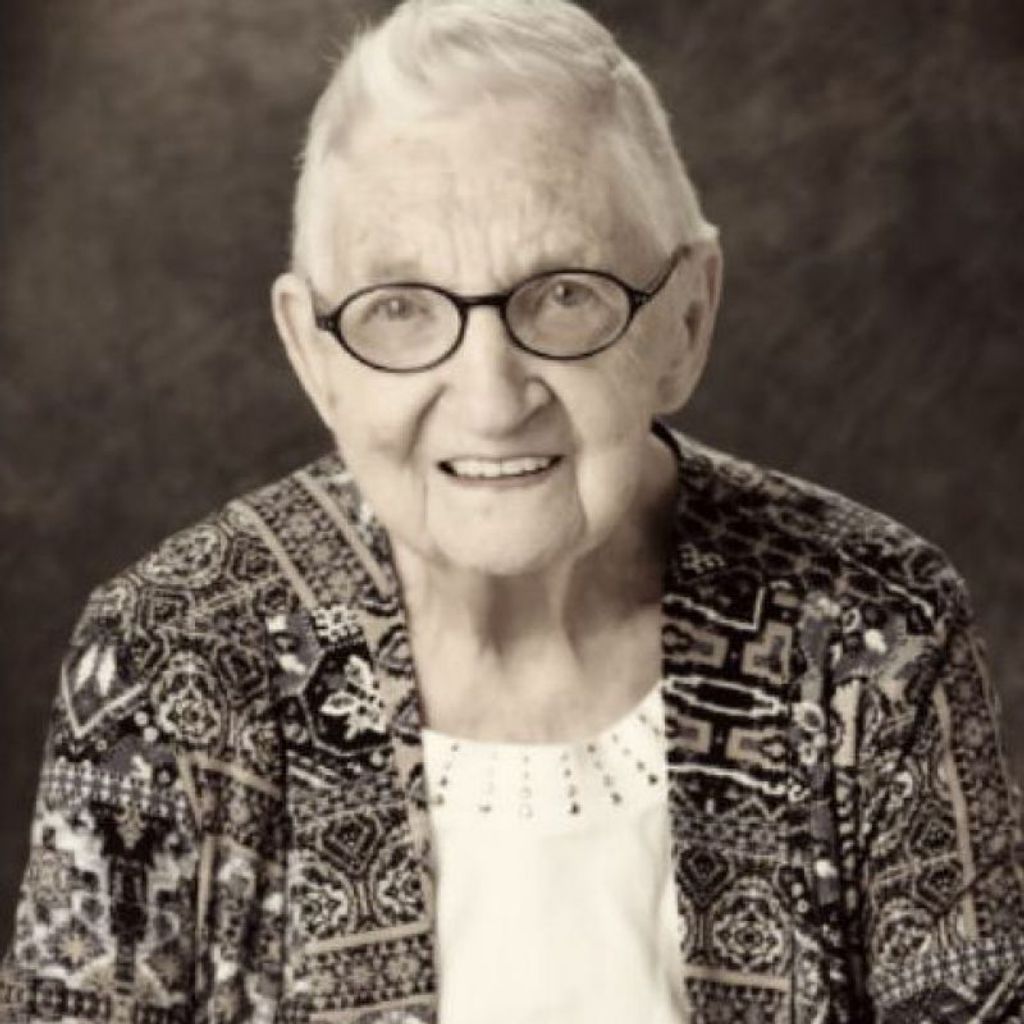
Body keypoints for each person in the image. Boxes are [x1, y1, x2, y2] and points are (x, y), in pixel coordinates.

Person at [2, 0, 1023, 1020]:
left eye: (563, 295)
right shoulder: (167, 655)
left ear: (685, 321)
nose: (491, 399)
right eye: (401, 308)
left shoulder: (875, 634)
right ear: (314, 356)